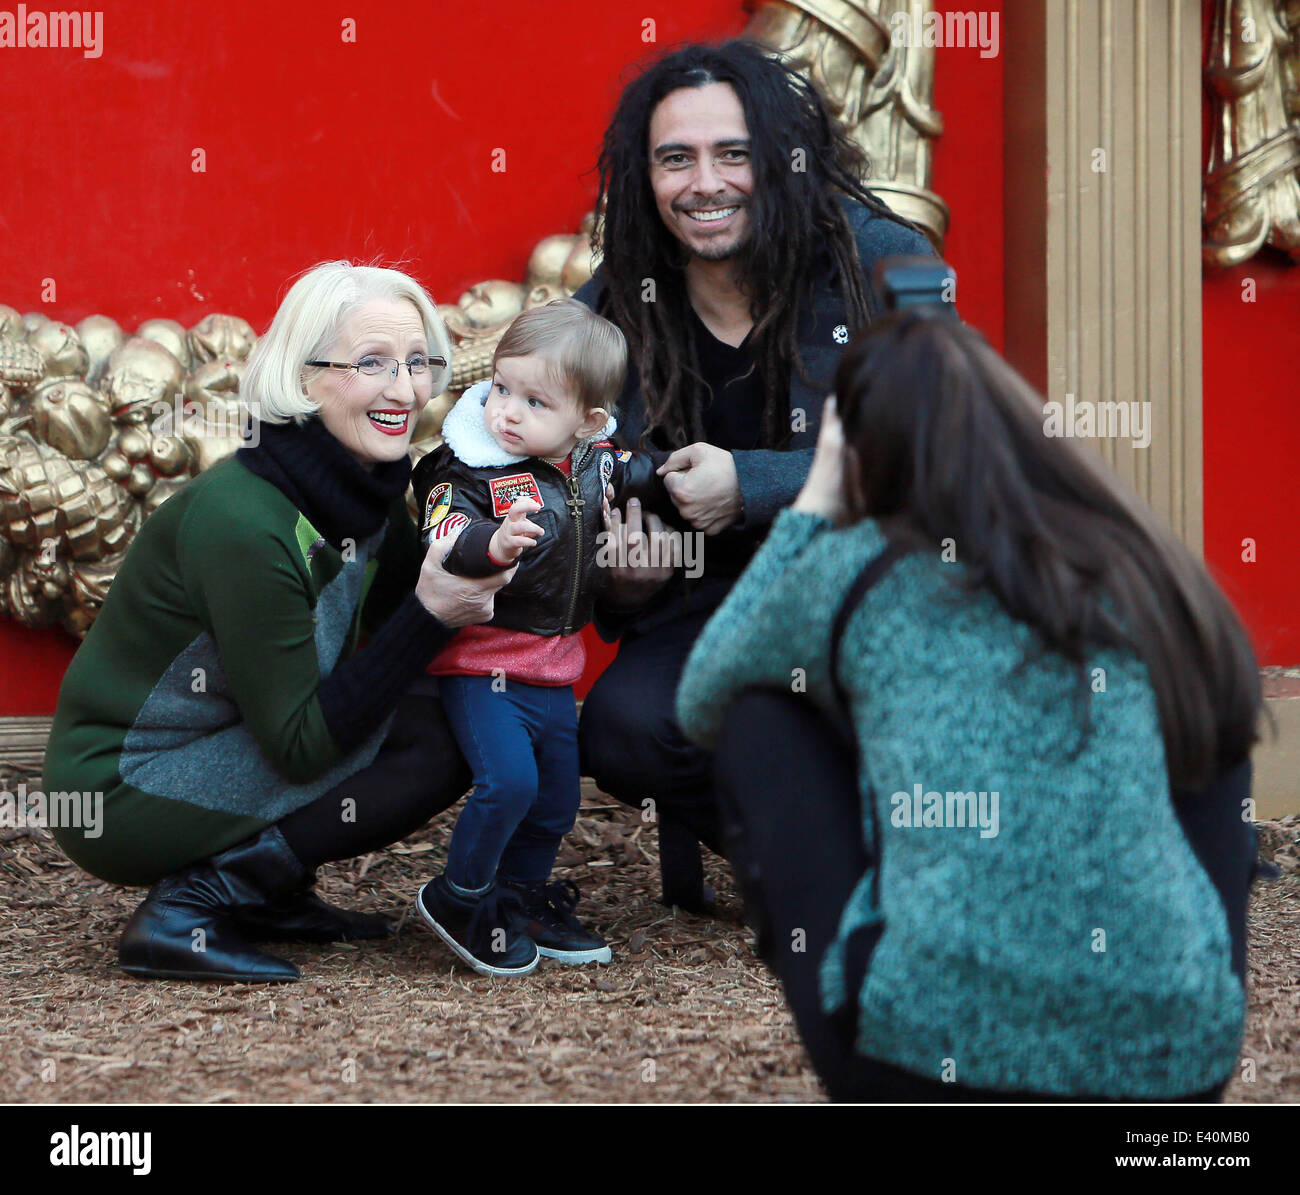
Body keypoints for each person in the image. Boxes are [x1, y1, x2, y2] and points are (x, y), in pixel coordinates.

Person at [674, 310, 1264, 1101]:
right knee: (1204, 700)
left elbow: (700, 695)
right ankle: (1177, 992)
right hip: (1176, 1066)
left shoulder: (856, 561)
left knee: (758, 714)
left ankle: (864, 958)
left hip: (924, 1060)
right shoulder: (1137, 561)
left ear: (857, 448)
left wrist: (812, 502)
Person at [43, 261, 515, 984]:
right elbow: (300, 744)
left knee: (449, 713)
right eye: (372, 363)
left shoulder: (371, 484)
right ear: (301, 378)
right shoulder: (244, 519)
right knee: (432, 743)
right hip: (120, 786)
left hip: (225, 735)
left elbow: (397, 638)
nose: (406, 389)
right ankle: (194, 904)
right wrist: (432, 609)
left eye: (419, 362)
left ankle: (269, 893)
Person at [573, 39, 935, 911]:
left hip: (873, 592)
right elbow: (574, 476)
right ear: (645, 175)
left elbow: (942, 453)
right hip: (703, 609)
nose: (707, 182)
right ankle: (827, 868)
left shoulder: (889, 263)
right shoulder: (618, 301)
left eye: (734, 153)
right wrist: (621, 582)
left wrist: (759, 482)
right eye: (676, 159)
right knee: (622, 725)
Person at [410, 299, 681, 976]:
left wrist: (675, 479)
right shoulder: (469, 466)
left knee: (558, 797)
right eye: (501, 387)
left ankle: (523, 894)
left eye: (534, 401)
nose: (506, 410)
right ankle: (461, 893)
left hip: (555, 668)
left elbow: (635, 478)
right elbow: (443, 531)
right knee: (508, 781)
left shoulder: (598, 462)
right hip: (484, 666)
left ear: (587, 422)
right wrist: (491, 543)